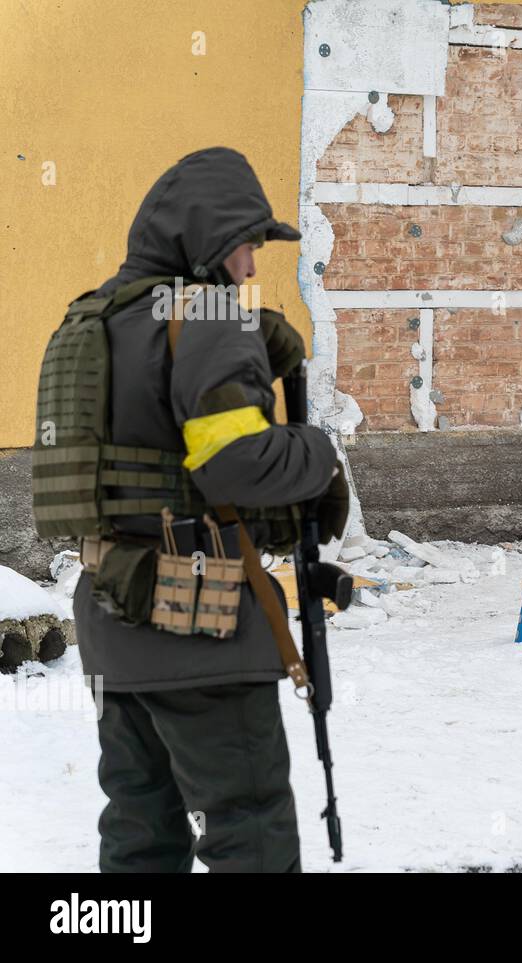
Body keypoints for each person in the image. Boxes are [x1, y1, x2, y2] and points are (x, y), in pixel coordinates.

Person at [71, 147, 347, 872]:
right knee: (247, 826)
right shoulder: (209, 312)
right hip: (202, 628)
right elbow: (236, 463)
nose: (252, 267)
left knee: (140, 836)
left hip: (113, 622)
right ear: (209, 244)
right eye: (246, 246)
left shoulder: (94, 320)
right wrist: (317, 449)